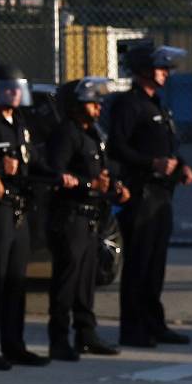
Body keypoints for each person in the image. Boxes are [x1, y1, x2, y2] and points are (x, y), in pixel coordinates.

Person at [108, 39, 192, 349]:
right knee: (139, 263)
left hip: (162, 194)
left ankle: (154, 323)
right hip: (140, 194)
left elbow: (168, 145)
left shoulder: (157, 103)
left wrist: (180, 165)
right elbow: (117, 147)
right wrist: (151, 163)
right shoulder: (128, 104)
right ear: (143, 70)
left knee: (156, 263)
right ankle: (132, 329)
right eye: (160, 68)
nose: (166, 73)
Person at [43, 78, 126, 361]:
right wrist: (88, 184)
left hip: (91, 218)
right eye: (92, 103)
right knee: (67, 280)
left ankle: (86, 334)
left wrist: (113, 186)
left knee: (86, 281)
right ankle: (58, 339)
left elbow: (103, 171)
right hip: (70, 217)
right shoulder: (66, 134)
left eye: (98, 103)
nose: (97, 108)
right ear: (76, 106)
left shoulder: (92, 135)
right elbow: (56, 173)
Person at [0, 63, 48, 369]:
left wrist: (61, 175)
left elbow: (35, 160)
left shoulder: (21, 123)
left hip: (21, 205)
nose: (15, 94)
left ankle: (14, 343)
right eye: (8, 88)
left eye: (18, 88)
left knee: (17, 278)